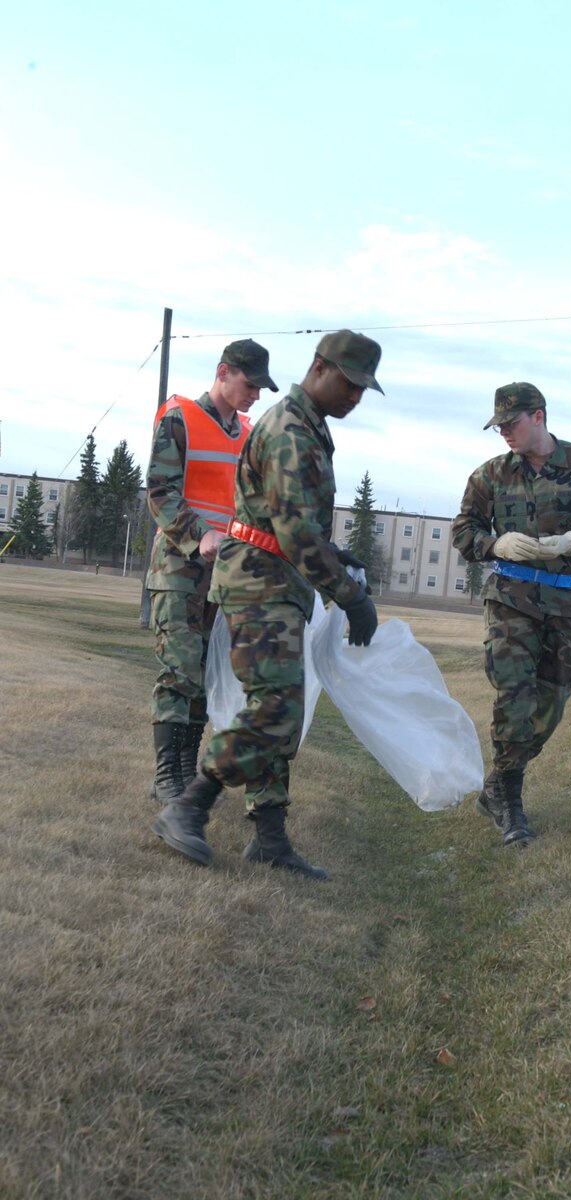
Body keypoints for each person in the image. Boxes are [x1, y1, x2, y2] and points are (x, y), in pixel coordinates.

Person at [152, 329, 383, 880]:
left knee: (279, 708)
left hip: (278, 582)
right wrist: (350, 598)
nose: (354, 397)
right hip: (259, 585)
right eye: (350, 385)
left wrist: (334, 556)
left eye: (363, 390)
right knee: (275, 712)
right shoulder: (291, 432)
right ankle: (190, 805)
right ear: (321, 368)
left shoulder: (303, 427)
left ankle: (270, 838)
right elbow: (296, 534)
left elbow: (293, 525)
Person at [451, 382, 571, 847]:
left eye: (511, 423)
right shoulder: (489, 475)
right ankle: (511, 802)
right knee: (515, 693)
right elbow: (463, 530)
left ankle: (497, 783)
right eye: (499, 426)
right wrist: (495, 544)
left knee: (552, 703)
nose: (504, 433)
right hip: (511, 599)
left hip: (565, 603)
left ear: (539, 416)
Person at [146, 339, 278, 806]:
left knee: (206, 674)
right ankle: (166, 775)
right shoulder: (179, 418)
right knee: (179, 670)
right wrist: (197, 534)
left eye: (262, 388)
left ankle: (185, 770)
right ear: (224, 372)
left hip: (226, 576)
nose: (256, 395)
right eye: (250, 384)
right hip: (180, 569)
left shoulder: (246, 434)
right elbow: (160, 490)